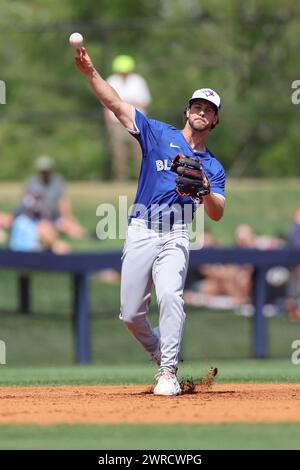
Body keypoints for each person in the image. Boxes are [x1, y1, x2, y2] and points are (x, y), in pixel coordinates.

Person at [74, 47, 225, 395]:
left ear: (215, 121)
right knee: (130, 315)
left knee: (171, 296)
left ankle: (169, 372)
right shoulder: (157, 134)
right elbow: (116, 104)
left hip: (176, 233)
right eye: (198, 106)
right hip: (141, 227)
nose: (202, 112)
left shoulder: (213, 167)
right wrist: (90, 72)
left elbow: (216, 212)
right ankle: (160, 355)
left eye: (210, 110)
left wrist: (203, 190)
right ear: (187, 111)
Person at [104, 55, 152, 180]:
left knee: (140, 151)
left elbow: (146, 101)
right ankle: (121, 178)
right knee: (119, 152)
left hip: (136, 121)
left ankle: (142, 177)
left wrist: (131, 103)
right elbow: (106, 103)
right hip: (117, 122)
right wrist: (108, 121)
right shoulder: (111, 80)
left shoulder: (138, 81)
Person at [23, 155, 86, 239]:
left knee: (75, 230)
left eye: (47, 171)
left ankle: (89, 235)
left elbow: (63, 201)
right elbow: (27, 206)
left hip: (54, 217)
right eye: (43, 171)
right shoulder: (32, 182)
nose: (45, 173)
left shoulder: (57, 181)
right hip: (37, 219)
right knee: (47, 233)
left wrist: (69, 217)